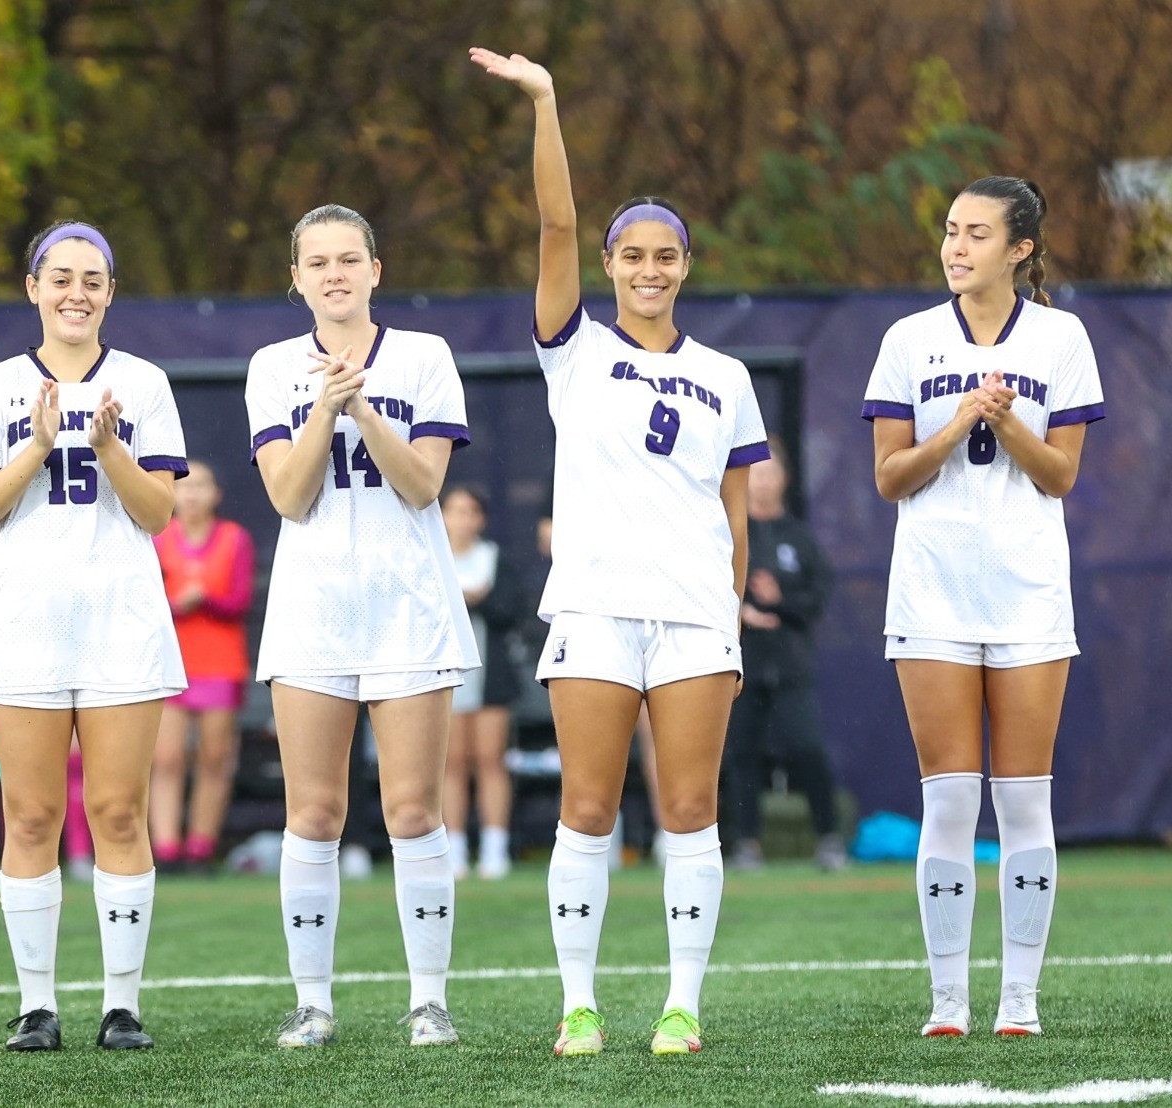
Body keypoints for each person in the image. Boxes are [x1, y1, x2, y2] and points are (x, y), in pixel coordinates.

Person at [474, 47, 769, 1058]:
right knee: (588, 807)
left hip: (693, 613)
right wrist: (546, 99)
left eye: (666, 255)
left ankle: (682, 1006)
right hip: (594, 606)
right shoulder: (577, 350)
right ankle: (579, 1006)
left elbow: (736, 517)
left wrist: (727, 615)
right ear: (609, 265)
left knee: (689, 809)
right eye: (632, 254)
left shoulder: (726, 376)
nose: (649, 269)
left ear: (686, 265)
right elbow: (554, 222)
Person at [863, 176, 1105, 1039]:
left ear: (1019, 249)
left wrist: (1006, 426)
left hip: (1027, 593)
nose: (955, 248)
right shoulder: (908, 339)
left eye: (975, 234)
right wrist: (957, 419)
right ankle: (948, 1000)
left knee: (1025, 799)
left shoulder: (1061, 337)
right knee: (949, 801)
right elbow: (890, 478)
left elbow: (1060, 477)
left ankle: (1019, 999)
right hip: (931, 591)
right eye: (949, 231)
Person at [0, 221, 188, 1052]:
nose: (75, 293)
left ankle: (121, 1006)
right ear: (33, 288)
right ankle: (37, 1006)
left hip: (121, 620)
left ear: (110, 293)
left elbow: (157, 513)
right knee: (31, 815)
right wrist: (38, 448)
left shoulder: (144, 382)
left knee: (118, 811)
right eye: (60, 278)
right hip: (24, 625)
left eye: (92, 279)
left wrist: (111, 450)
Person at [247, 204, 476, 1048]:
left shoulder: (424, 356)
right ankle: (313, 1003)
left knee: (412, 811)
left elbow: (422, 487)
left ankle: (428, 1001)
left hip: (407, 606)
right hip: (313, 610)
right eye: (318, 262)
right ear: (296, 279)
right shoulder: (273, 366)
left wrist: (365, 409)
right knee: (313, 814)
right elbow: (287, 495)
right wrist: (322, 410)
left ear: (376, 271)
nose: (334, 274)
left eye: (349, 259)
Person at [722, 438, 844, 871]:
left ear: (785, 478)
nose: (763, 482)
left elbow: (817, 598)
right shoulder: (730, 533)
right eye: (756, 474)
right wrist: (743, 612)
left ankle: (830, 840)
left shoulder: (799, 537)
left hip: (791, 666)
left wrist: (780, 602)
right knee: (741, 754)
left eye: (770, 473)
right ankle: (745, 844)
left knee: (807, 748)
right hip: (742, 666)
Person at [151, 460, 253, 874]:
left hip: (221, 663)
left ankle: (201, 846)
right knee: (166, 759)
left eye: (201, 486)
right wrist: (177, 605)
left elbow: (240, 601)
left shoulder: (235, 539)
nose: (191, 494)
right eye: (184, 486)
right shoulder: (157, 538)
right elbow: (145, 602)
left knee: (214, 758)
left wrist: (205, 599)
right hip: (170, 663)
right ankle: (166, 848)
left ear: (217, 494)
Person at [441, 486, 522, 880]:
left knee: (490, 758)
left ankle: (494, 848)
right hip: (447, 673)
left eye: (471, 511)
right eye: (455, 511)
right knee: (452, 762)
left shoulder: (495, 559)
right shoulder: (432, 557)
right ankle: (453, 849)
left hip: (491, 675)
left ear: (482, 519)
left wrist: (480, 600)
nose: (463, 519)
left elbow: (511, 608)